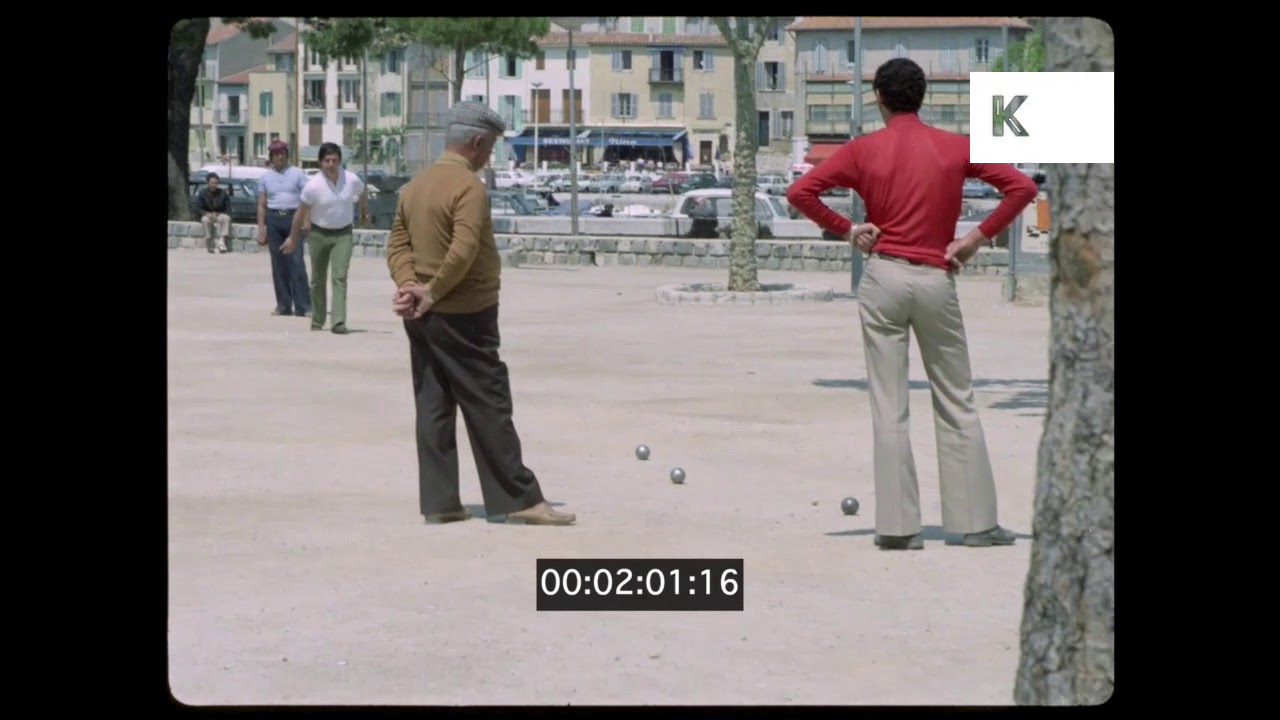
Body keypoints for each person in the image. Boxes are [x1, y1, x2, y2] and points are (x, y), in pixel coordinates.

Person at [786, 58, 1038, 551]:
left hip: (883, 275)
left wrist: (848, 229)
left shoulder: (862, 150)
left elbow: (801, 191)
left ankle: (898, 527)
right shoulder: (955, 146)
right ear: (922, 97)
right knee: (956, 397)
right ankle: (976, 524)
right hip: (936, 276)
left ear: (878, 96)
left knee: (889, 404)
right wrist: (974, 239)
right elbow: (1022, 187)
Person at [386, 101, 577, 527]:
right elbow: (465, 248)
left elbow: (397, 243)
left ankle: (440, 503)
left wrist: (410, 286)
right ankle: (519, 497)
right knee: (489, 401)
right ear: (476, 142)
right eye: (489, 147)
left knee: (433, 404)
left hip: (422, 316)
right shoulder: (468, 187)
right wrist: (432, 291)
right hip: (466, 314)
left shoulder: (414, 186)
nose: (490, 156)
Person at [289, 142, 369, 334]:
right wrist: (293, 238)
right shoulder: (313, 186)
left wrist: (364, 212)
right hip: (319, 234)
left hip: (343, 234)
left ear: (340, 161)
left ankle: (338, 321)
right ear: (320, 162)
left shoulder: (351, 179)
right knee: (318, 278)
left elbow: (363, 192)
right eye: (327, 161)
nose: (331, 164)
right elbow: (300, 212)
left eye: (334, 160)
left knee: (339, 277)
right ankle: (318, 319)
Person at [256, 140, 312, 318]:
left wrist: (306, 221)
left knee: (296, 262)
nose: (279, 157)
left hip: (293, 218)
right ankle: (283, 305)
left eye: (282, 153)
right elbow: (262, 205)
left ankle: (304, 306)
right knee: (278, 265)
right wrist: (261, 229)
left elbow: (306, 200)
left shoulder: (297, 173)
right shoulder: (265, 177)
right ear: (271, 157)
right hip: (274, 219)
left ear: (287, 155)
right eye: (276, 154)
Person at [196, 173, 231, 254]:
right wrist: (206, 213)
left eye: (216, 183)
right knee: (204, 220)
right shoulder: (202, 193)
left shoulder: (223, 193)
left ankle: (222, 241)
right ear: (208, 183)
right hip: (207, 215)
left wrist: (218, 213)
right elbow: (198, 208)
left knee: (226, 218)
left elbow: (228, 209)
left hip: (219, 214)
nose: (214, 185)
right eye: (212, 183)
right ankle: (209, 241)